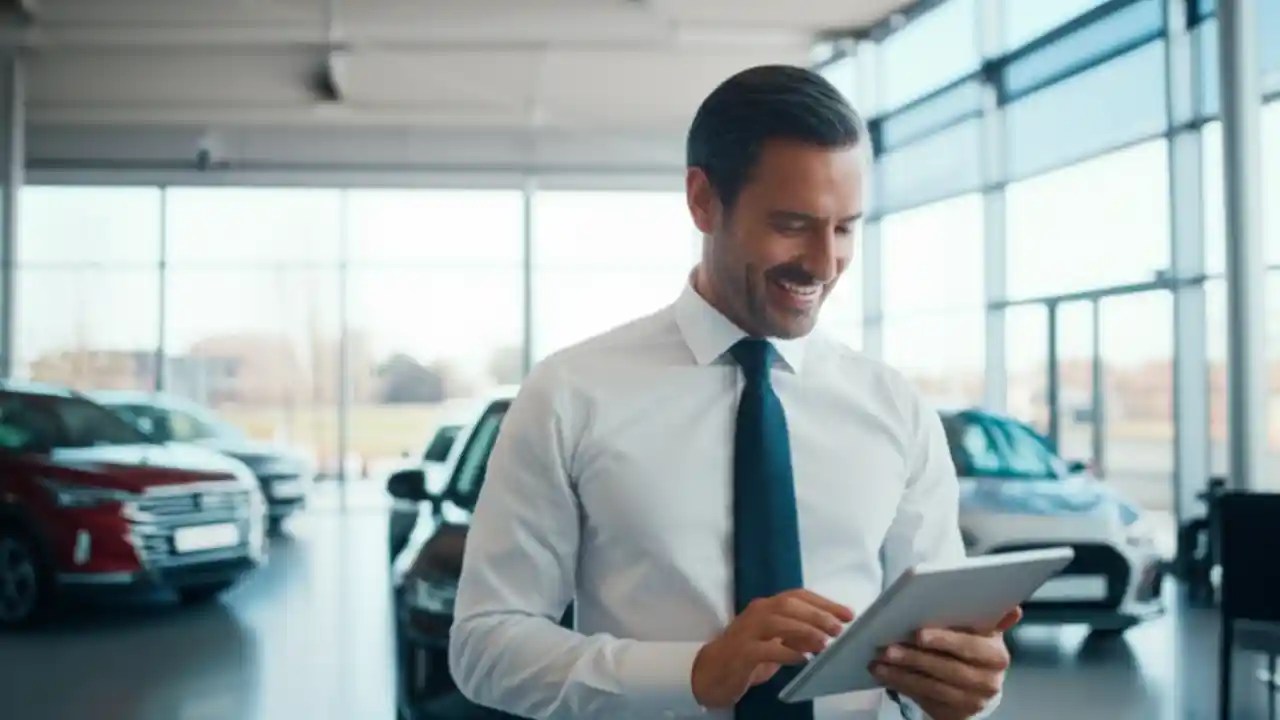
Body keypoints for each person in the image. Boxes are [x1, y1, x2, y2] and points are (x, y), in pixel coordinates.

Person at [449, 64, 1019, 720]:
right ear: (702, 201)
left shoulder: (896, 408)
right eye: (792, 224)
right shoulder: (571, 394)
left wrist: (968, 690)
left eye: (844, 228)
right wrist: (691, 671)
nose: (824, 264)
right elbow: (484, 645)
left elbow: (938, 641)